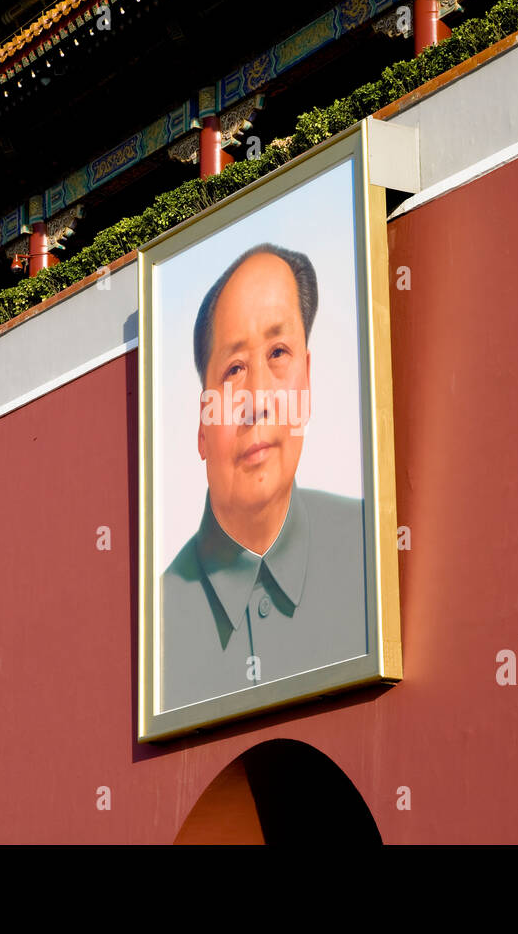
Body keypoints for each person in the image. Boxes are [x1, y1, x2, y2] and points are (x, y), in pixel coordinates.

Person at [160, 243, 366, 712]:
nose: (257, 400)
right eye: (233, 370)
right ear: (201, 428)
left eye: (278, 353)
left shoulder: (371, 547)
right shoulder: (159, 625)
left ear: (307, 384)